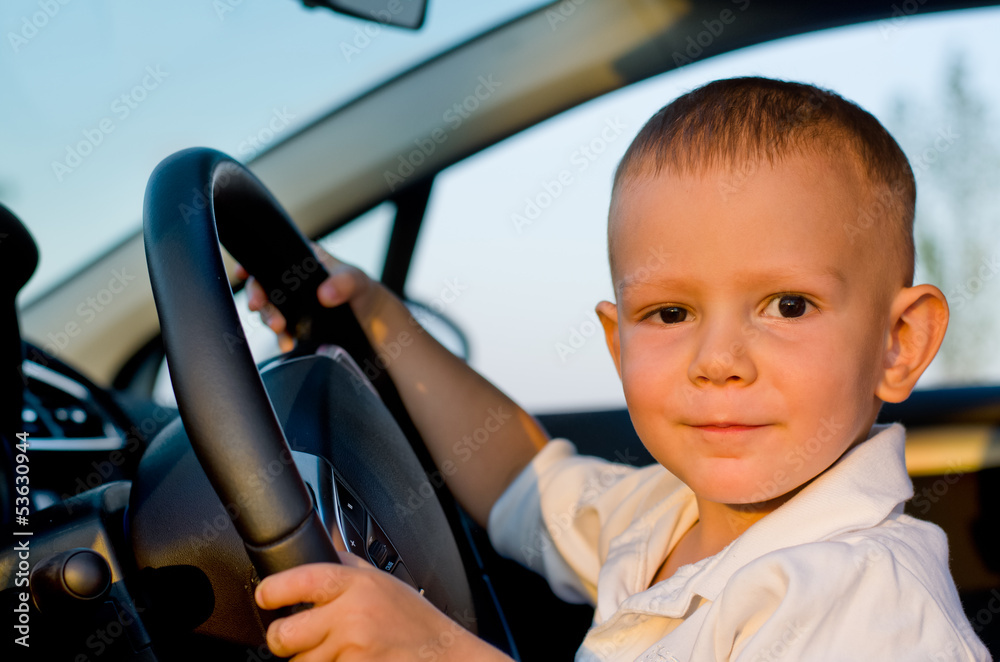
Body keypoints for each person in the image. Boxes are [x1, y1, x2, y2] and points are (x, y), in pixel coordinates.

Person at [242, 77, 992, 660]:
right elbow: (517, 479)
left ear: (899, 343)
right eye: (670, 314)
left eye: (788, 306)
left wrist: (432, 649)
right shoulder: (662, 517)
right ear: (618, 342)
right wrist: (383, 323)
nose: (719, 362)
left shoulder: (866, 604)